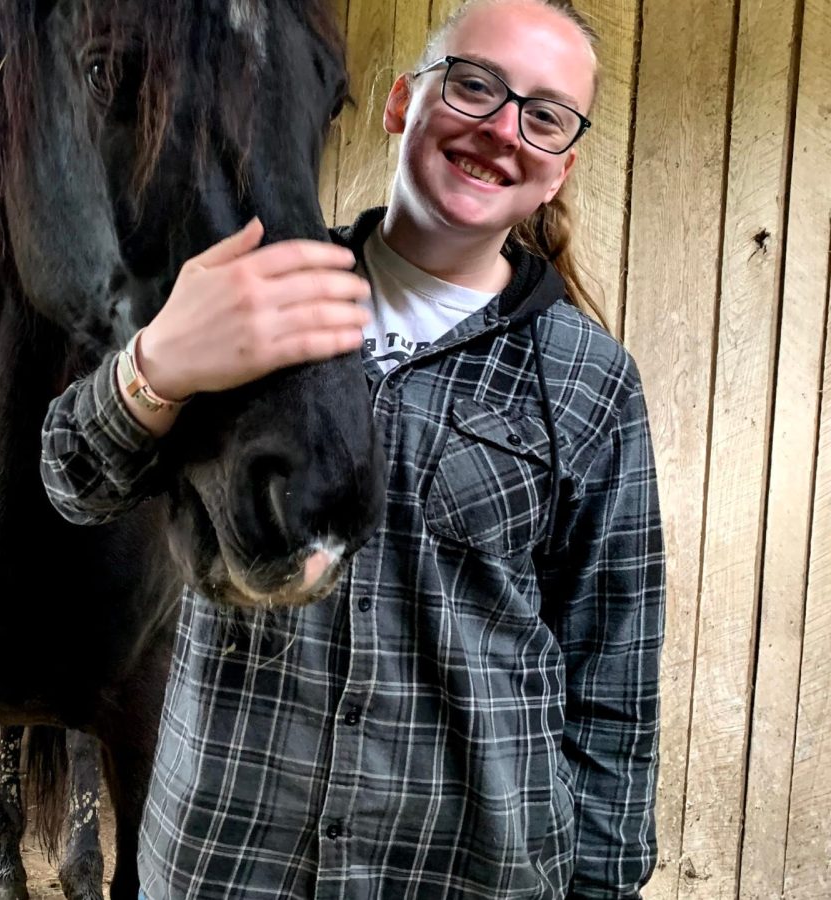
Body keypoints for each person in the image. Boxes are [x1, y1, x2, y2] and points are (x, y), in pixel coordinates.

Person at [40, 0, 665, 897]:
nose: (501, 129)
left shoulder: (589, 380)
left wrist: (603, 886)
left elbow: (614, 684)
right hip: (226, 854)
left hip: (463, 870)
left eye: (544, 114)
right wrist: (159, 363)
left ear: (560, 166)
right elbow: (71, 484)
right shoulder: (250, 294)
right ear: (402, 103)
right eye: (475, 85)